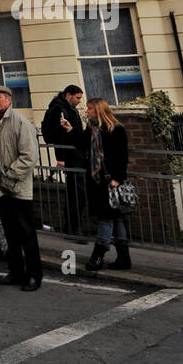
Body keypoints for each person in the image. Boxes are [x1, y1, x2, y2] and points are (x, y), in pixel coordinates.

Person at [0, 85, 42, 291]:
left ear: (8, 100)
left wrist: (9, 176)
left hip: (18, 187)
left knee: (26, 233)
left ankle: (34, 275)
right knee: (9, 233)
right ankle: (16, 272)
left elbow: (29, 157)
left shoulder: (20, 122)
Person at [83, 97, 131, 274]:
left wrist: (117, 178)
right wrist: (69, 129)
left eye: (89, 109)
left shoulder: (116, 129)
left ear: (98, 110)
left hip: (110, 181)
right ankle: (124, 258)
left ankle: (97, 255)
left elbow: (122, 156)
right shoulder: (90, 129)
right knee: (116, 218)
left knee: (106, 218)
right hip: (97, 181)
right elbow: (81, 146)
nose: (87, 112)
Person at [41, 84, 87, 237]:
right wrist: (60, 157)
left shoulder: (68, 108)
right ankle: (74, 227)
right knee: (76, 192)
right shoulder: (59, 110)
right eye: (78, 97)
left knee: (76, 192)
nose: (80, 101)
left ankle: (72, 226)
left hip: (76, 154)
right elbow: (57, 134)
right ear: (68, 95)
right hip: (70, 156)